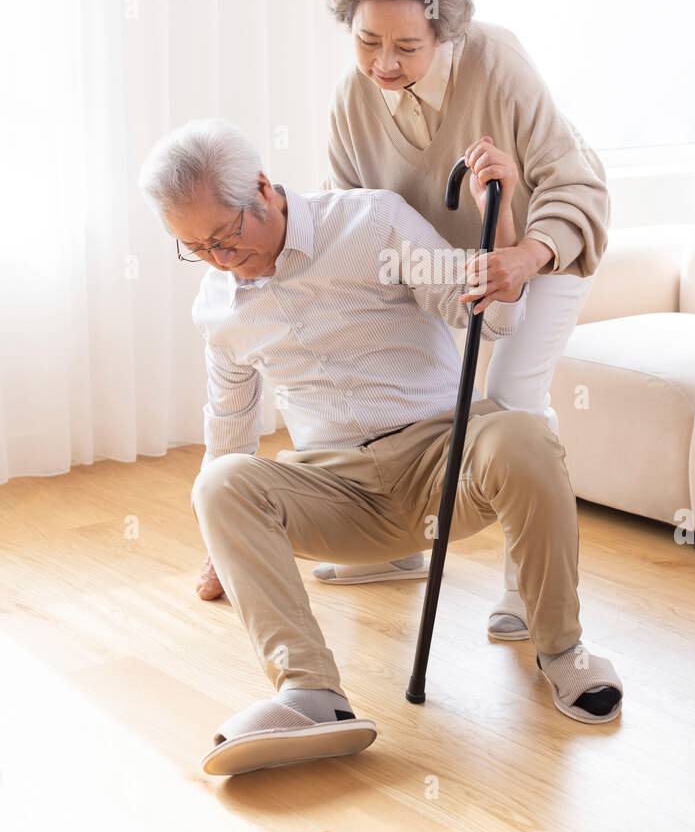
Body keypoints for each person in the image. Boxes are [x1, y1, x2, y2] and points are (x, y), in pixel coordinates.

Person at [138, 118, 623, 776]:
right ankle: (311, 697)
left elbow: (493, 313)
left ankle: (562, 652)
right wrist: (220, 548)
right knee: (219, 483)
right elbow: (229, 421)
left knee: (521, 433)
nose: (220, 260)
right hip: (337, 494)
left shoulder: (368, 225)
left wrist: (500, 216)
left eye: (225, 236)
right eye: (194, 248)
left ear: (262, 189)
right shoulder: (216, 307)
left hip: (444, 464)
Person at [316, 0, 610, 640]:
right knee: (401, 397)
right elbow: (355, 222)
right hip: (447, 262)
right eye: (367, 42)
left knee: (511, 406)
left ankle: (527, 583)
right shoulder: (349, 104)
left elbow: (573, 183)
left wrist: (527, 253)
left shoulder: (497, 60)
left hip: (548, 236)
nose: (383, 63)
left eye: (406, 47)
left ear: (443, 32)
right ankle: (396, 544)